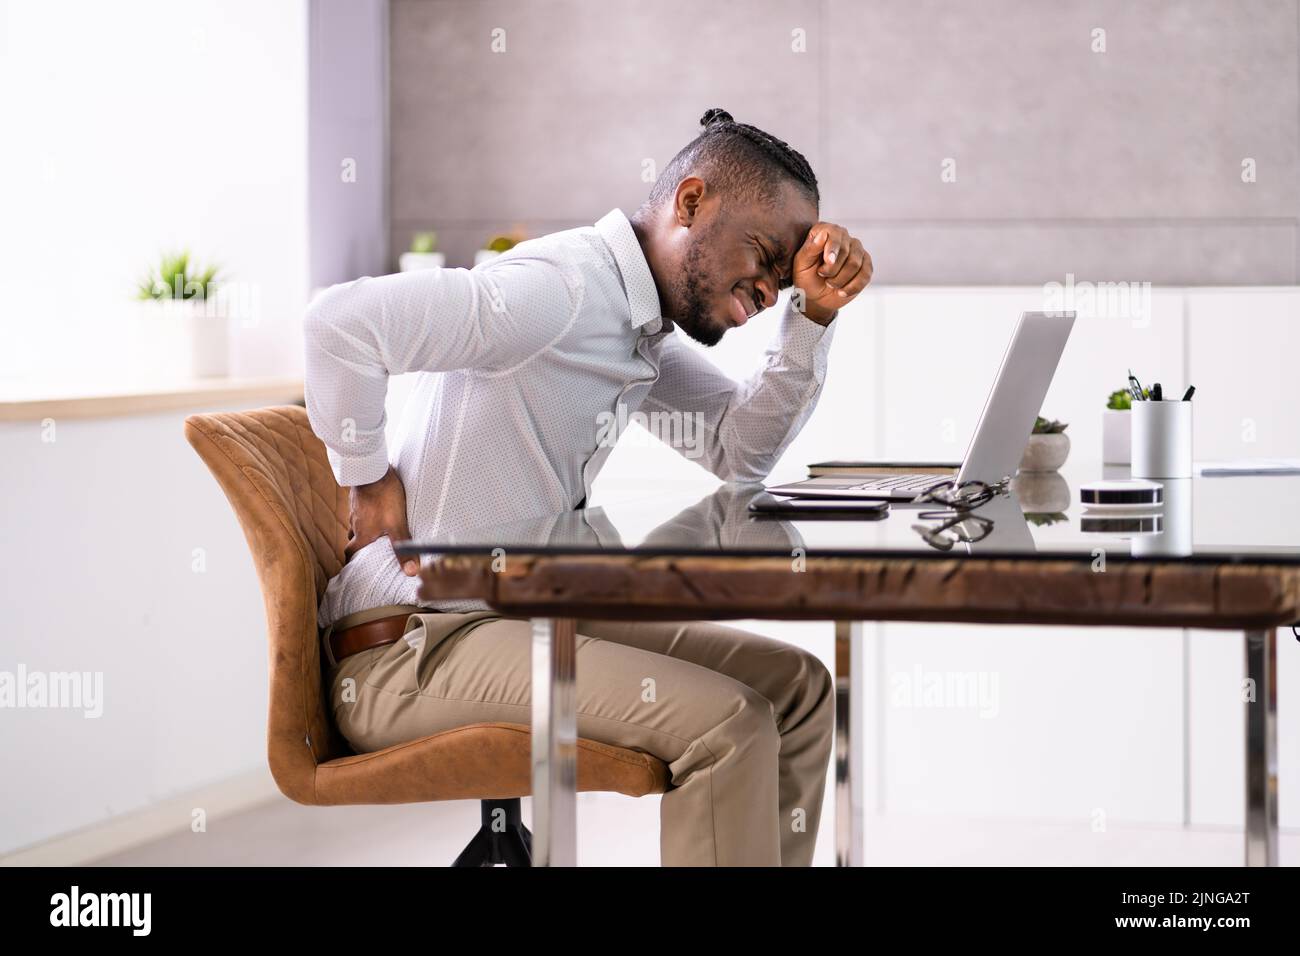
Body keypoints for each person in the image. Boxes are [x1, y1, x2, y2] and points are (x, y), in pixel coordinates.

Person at [304, 107, 873, 866]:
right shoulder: (561, 291)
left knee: (797, 690)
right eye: (764, 255)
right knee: (728, 724)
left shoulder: (634, 325)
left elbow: (737, 452)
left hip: (523, 618)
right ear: (691, 201)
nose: (769, 288)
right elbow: (337, 325)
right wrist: (365, 476)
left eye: (780, 276)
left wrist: (813, 314)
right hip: (414, 647)